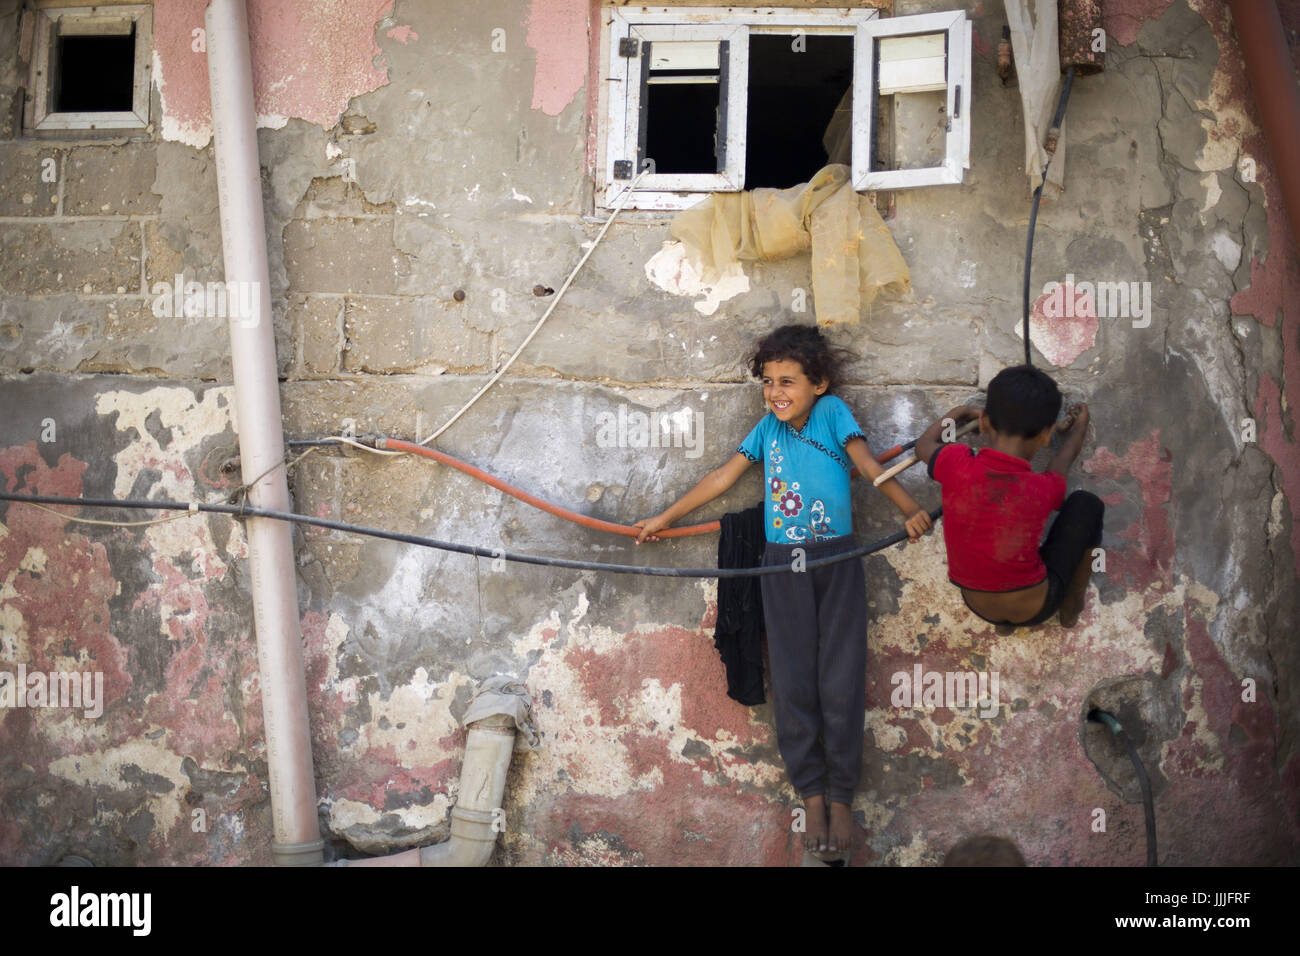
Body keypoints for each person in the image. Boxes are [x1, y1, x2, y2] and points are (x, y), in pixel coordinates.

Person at [633, 324, 932, 856]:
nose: (776, 393)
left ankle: (841, 797)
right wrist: (665, 515)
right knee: (793, 682)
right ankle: (811, 793)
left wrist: (911, 512)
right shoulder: (766, 432)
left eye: (788, 381)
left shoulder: (834, 413)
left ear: (818, 383)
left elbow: (866, 467)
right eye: (768, 382)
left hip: (836, 560)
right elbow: (722, 479)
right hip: (781, 568)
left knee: (840, 679)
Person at [915, 364, 1103, 629]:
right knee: (1088, 505)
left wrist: (958, 413)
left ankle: (1003, 625)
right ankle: (1072, 604)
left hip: (977, 605)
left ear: (983, 421)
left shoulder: (956, 463)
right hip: (1036, 607)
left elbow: (923, 445)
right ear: (1047, 434)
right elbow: (1062, 464)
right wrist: (1079, 429)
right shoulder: (1044, 487)